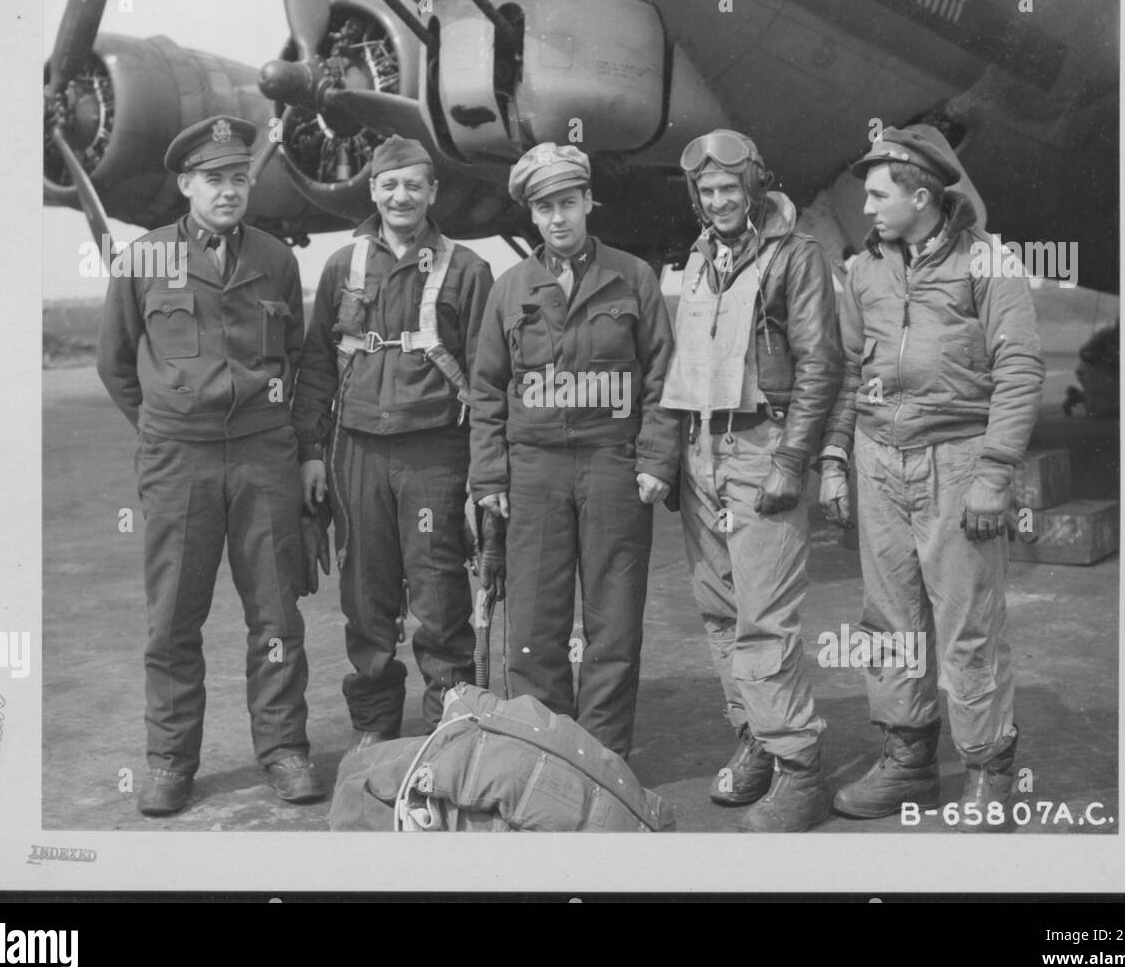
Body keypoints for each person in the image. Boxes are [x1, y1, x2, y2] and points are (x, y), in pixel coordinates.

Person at [818, 126, 1044, 829]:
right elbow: (850, 370)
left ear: (923, 195)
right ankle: (909, 758)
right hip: (879, 459)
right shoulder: (864, 269)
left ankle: (988, 768)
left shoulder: (990, 264)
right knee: (888, 624)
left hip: (958, 461)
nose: (868, 209)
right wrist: (833, 456)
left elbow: (1019, 370)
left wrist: (995, 474)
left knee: (968, 625)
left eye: (880, 195)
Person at [97, 115, 324, 815]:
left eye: (238, 178)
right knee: (171, 620)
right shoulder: (144, 260)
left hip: (263, 456)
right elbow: (117, 362)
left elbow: (297, 361)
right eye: (214, 179)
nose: (229, 191)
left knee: (277, 617)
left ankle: (285, 750)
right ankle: (169, 760)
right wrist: (167, 427)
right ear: (186, 183)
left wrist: (296, 443)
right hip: (180, 462)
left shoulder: (276, 260)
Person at [469, 143, 678, 760]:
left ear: (589, 202)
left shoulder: (633, 277)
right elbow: (486, 388)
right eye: (543, 208)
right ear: (531, 216)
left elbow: (663, 376)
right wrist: (489, 476)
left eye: (567, 203)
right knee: (534, 623)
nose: (557, 218)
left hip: (612, 466)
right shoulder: (510, 289)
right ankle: (545, 753)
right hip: (534, 470)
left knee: (614, 619)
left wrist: (655, 460)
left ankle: (605, 757)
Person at [663, 130, 843, 832]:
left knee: (765, 617)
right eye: (707, 193)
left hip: (761, 444)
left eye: (730, 190)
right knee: (718, 609)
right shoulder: (701, 259)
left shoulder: (796, 257)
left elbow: (821, 363)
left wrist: (792, 460)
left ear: (755, 187)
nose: (719, 202)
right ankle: (756, 738)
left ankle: (801, 770)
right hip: (701, 446)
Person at [293, 135, 494, 748]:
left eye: (413, 185)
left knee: (439, 596)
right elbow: (317, 368)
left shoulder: (467, 269)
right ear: (373, 192)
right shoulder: (341, 267)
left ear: (432, 192)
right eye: (388, 185)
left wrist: (483, 475)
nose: (400, 196)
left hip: (433, 452)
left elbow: (488, 381)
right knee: (366, 595)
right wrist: (309, 452)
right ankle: (375, 728)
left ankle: (448, 729)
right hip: (356, 453)